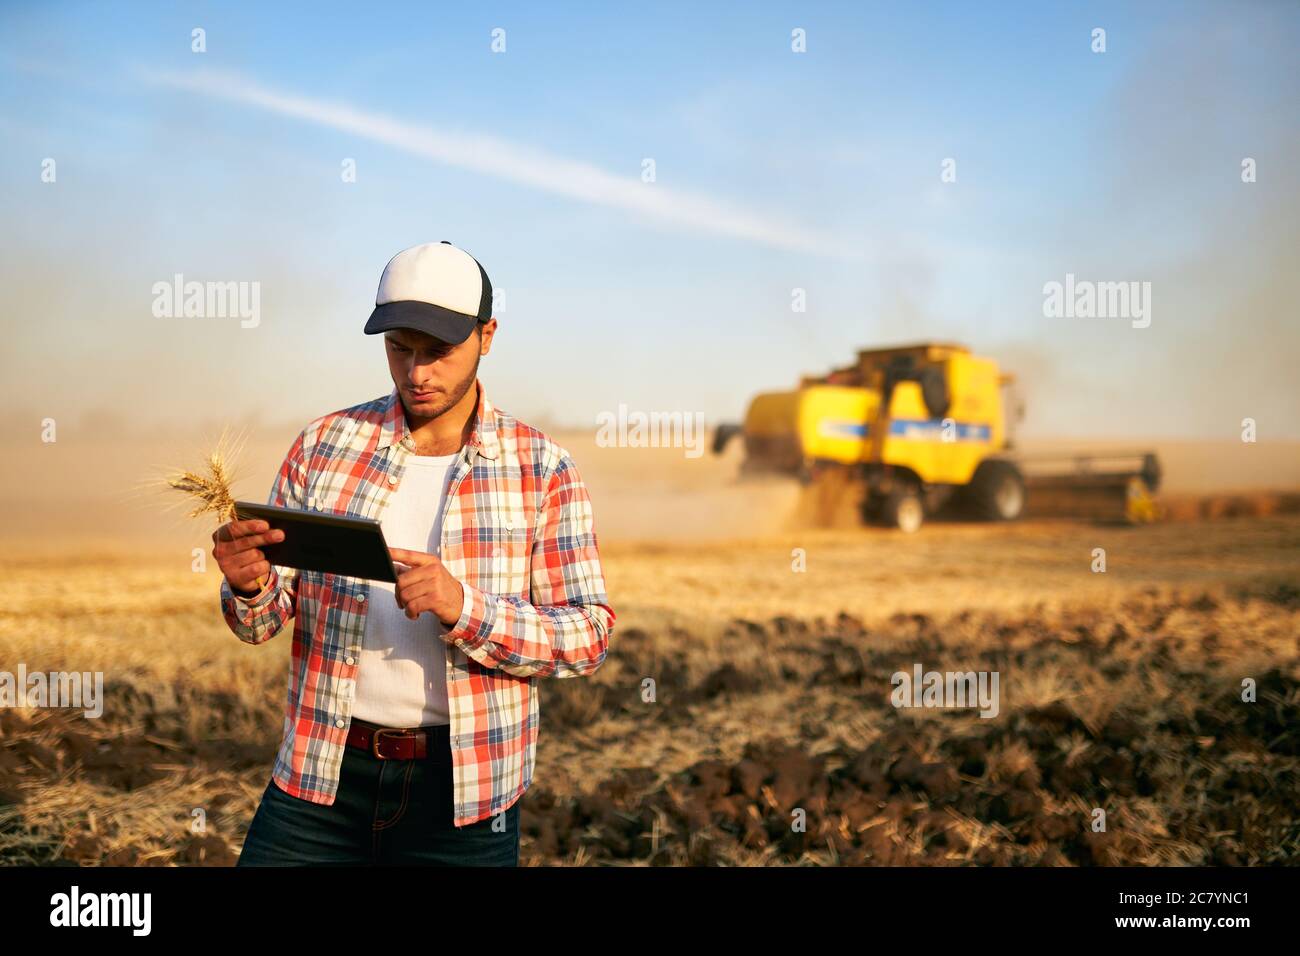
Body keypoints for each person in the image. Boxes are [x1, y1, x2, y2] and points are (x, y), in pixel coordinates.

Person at [211, 240, 615, 865]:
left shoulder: (543, 469)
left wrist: (464, 608)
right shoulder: (323, 446)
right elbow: (261, 623)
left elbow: (588, 636)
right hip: (319, 776)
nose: (416, 372)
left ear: (487, 336)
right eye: (399, 348)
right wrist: (247, 587)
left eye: (438, 352)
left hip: (466, 797)